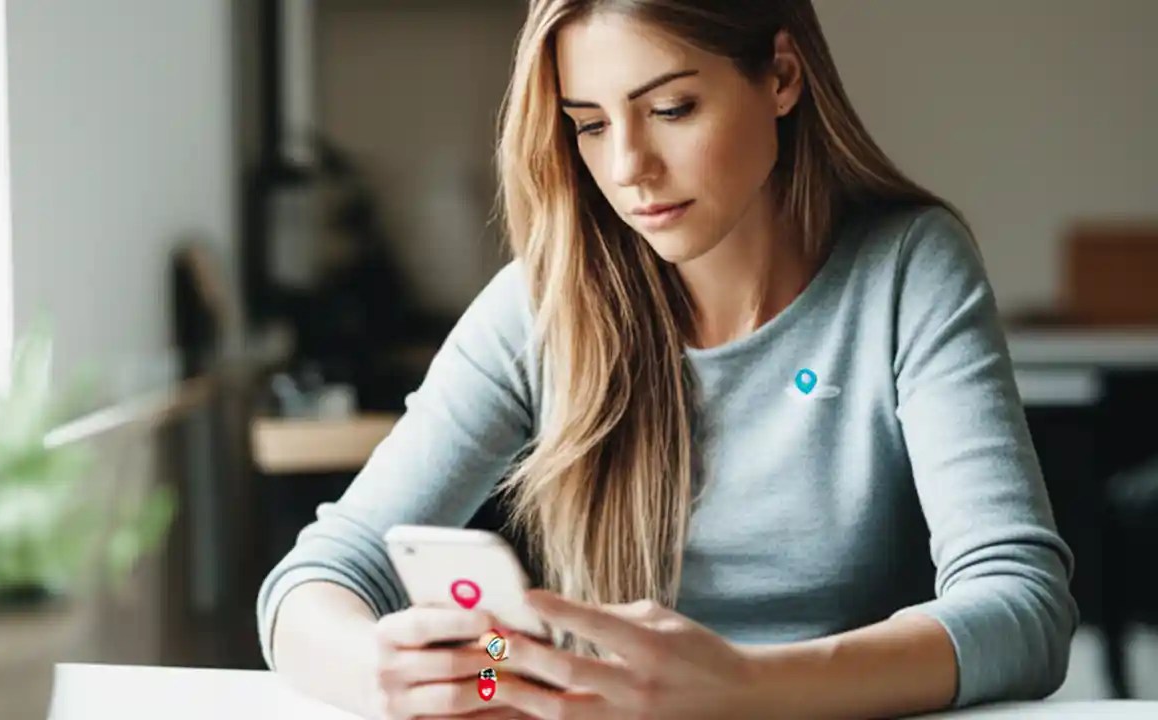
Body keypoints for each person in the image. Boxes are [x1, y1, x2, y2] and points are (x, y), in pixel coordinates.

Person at [258, 1, 1078, 718]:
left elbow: (1023, 606)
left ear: (782, 77)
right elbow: (316, 580)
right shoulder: (545, 303)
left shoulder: (907, 271)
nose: (628, 169)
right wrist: (385, 672)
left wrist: (748, 691)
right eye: (589, 123)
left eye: (673, 108)